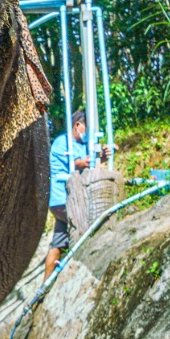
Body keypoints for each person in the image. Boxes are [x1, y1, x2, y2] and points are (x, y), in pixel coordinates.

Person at [43, 109, 111, 279]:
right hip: (63, 200)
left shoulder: (80, 145)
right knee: (85, 228)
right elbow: (79, 163)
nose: (87, 133)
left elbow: (88, 162)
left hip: (63, 202)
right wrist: (97, 157)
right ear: (78, 125)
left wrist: (102, 156)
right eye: (87, 128)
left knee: (58, 244)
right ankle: (79, 275)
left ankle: (44, 289)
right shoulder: (62, 142)